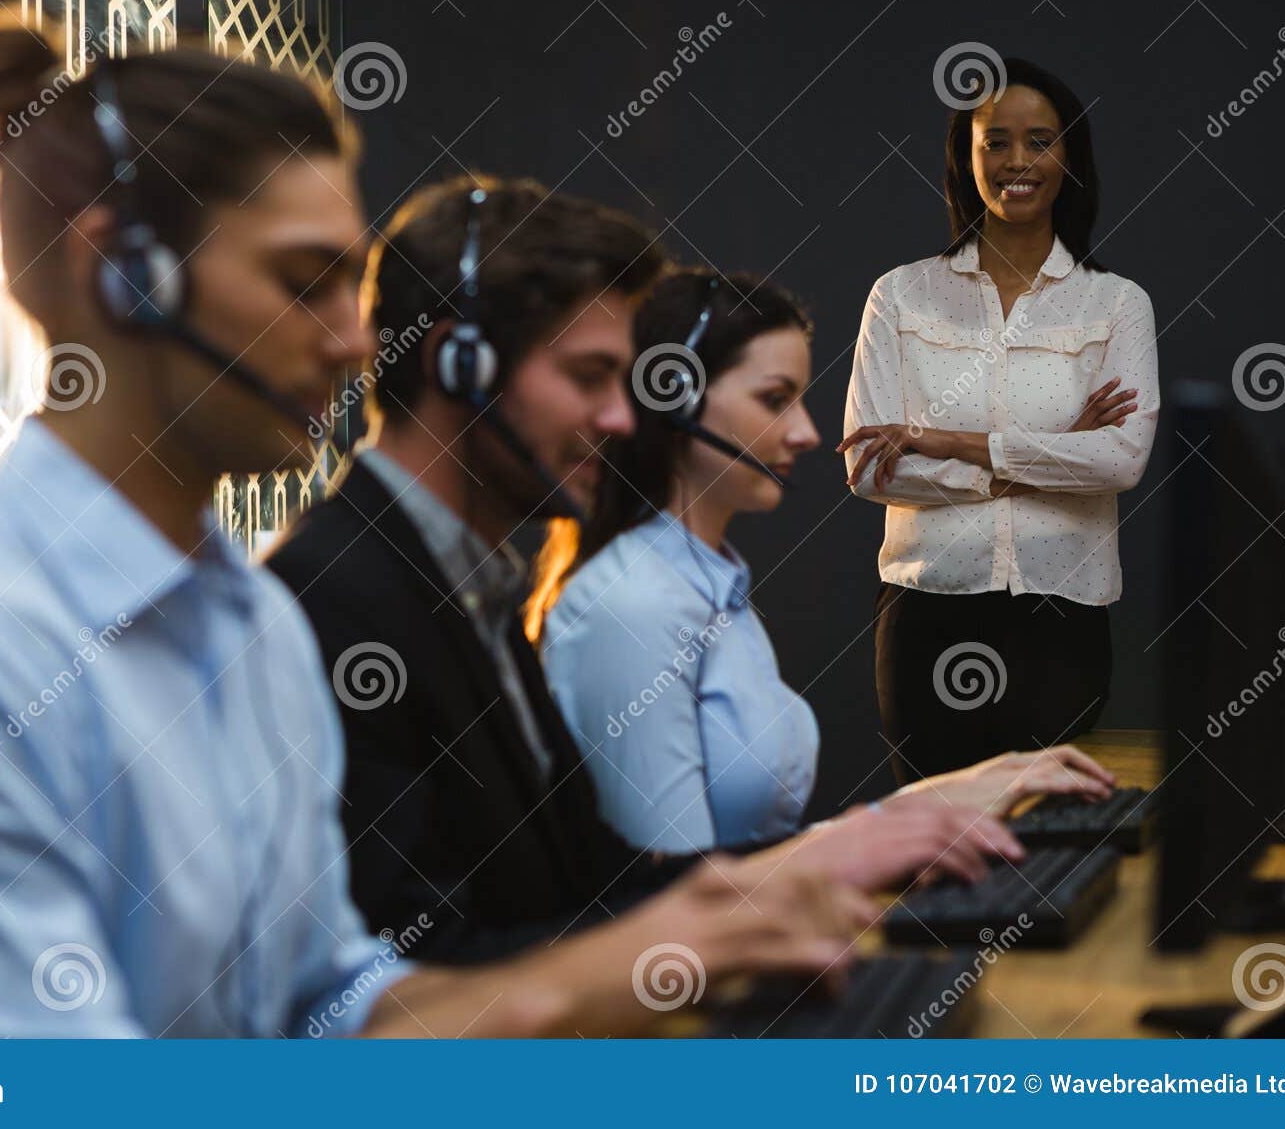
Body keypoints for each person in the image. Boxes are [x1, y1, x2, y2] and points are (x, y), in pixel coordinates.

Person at [0, 26, 871, 1039]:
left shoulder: (253, 624)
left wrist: (673, 946)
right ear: (122, 277)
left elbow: (328, 1001)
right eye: (306, 284)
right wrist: (593, 981)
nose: (354, 342)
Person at [267, 176, 1024, 965]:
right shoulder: (333, 599)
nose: (624, 418)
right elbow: (421, 980)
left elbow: (603, 885)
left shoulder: (472, 592)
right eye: (588, 376)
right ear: (458, 365)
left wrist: (877, 834)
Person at [528, 268, 1116, 854]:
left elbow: (750, 860)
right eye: (774, 400)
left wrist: (958, 795)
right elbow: (678, 892)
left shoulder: (712, 586)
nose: (808, 432)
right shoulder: (634, 606)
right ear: (675, 397)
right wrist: (888, 834)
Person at [838, 58, 1158, 779]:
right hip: (927, 612)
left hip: (1063, 616)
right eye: (996, 142)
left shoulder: (1116, 305)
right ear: (966, 157)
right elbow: (869, 468)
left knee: (1048, 837)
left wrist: (946, 440)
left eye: (1040, 141)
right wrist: (1047, 457)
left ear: (1070, 158)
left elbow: (1120, 460)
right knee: (937, 838)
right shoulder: (900, 296)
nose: (1018, 161)